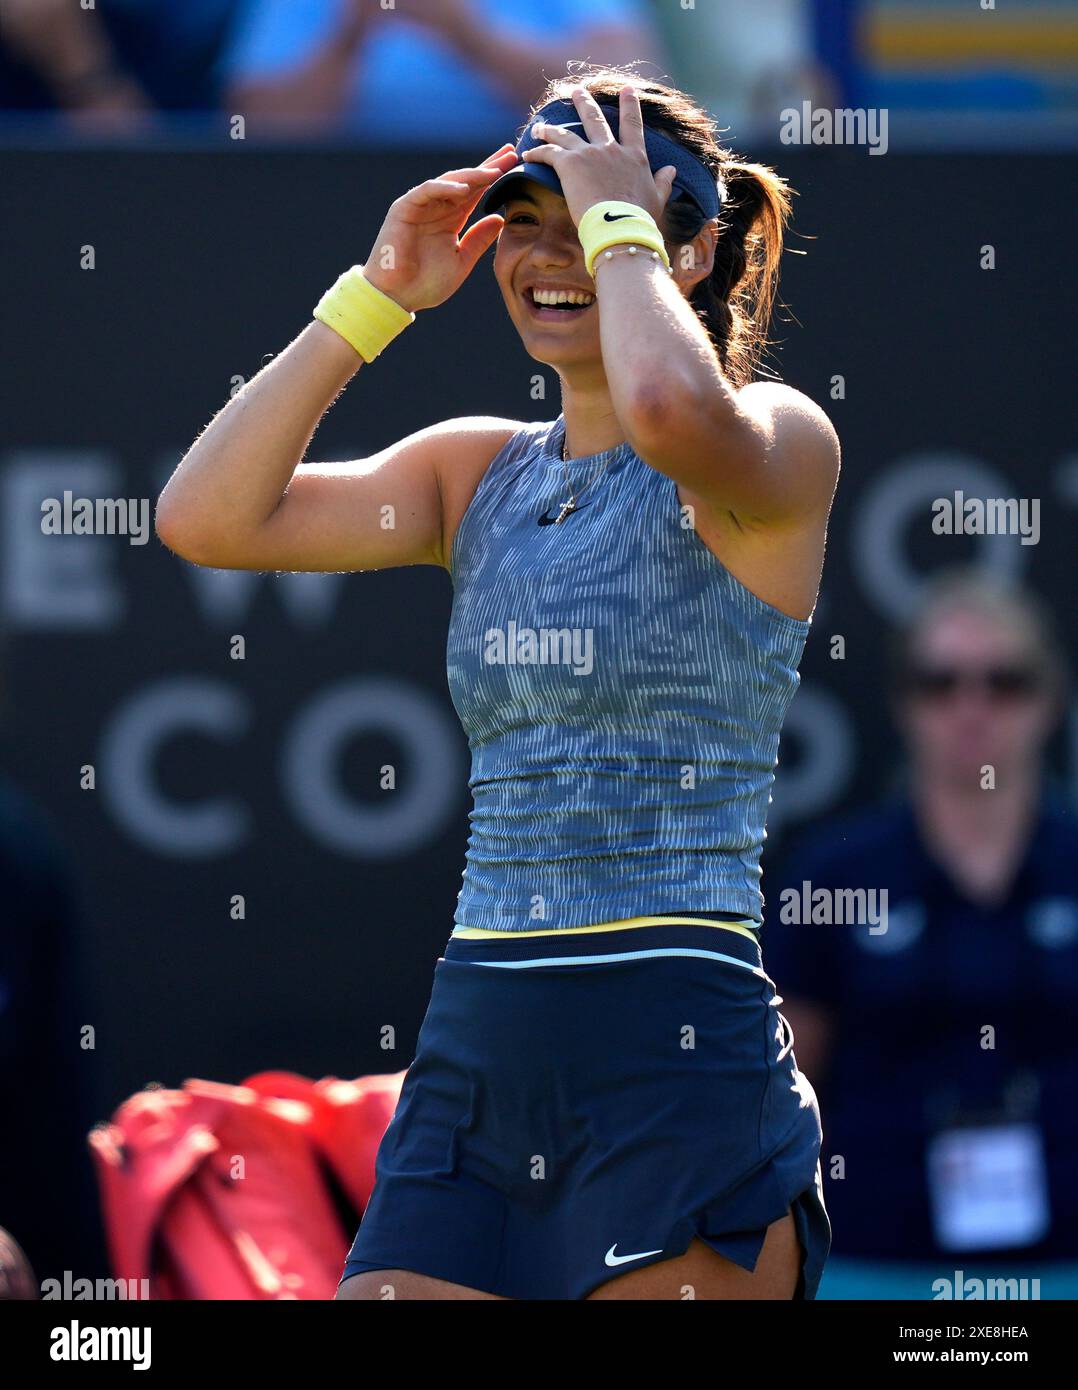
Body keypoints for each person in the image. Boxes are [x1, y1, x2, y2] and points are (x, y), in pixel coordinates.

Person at [154, 65, 841, 1300]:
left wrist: (614, 222)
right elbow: (205, 516)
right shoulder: (471, 473)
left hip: (673, 1053)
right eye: (523, 218)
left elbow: (668, 405)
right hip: (479, 1046)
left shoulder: (776, 439)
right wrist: (375, 300)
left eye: (587, 218)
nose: (545, 253)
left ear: (684, 253)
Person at [764, 569, 1078, 1298]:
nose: (972, 708)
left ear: (1050, 697)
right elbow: (783, 1091)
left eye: (1004, 682)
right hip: (872, 1268)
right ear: (905, 703)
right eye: (941, 683)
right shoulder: (835, 875)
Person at [221, 0, 666, 143]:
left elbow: (634, 95)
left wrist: (469, 34)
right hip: (339, 209)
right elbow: (254, 131)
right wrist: (350, 34)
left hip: (534, 190)